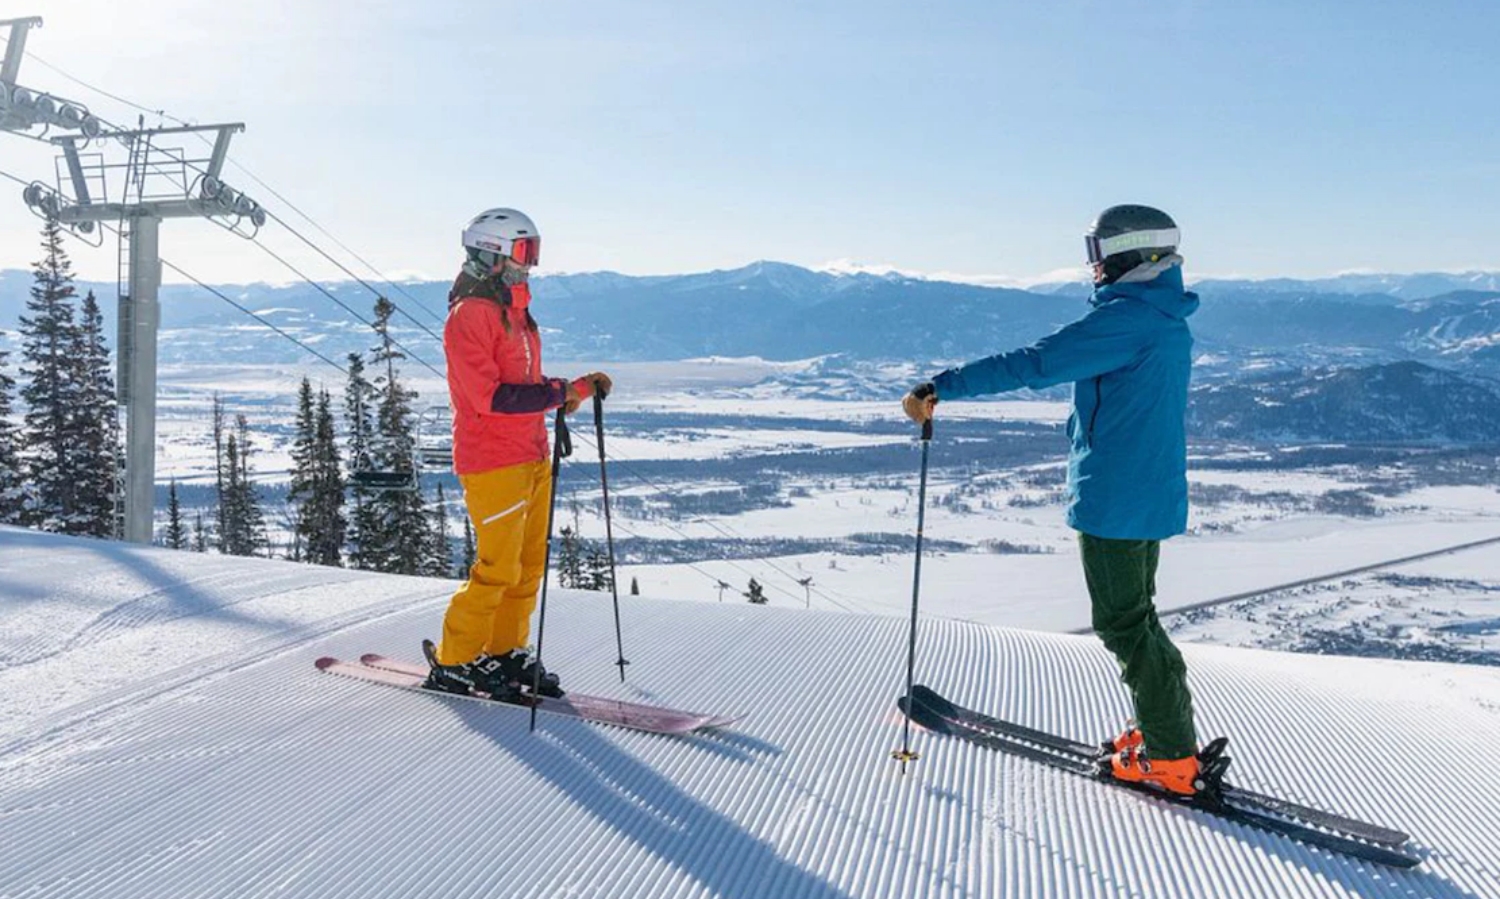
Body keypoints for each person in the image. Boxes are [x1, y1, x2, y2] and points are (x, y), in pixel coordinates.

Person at [902, 204, 1205, 794]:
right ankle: (1164, 737)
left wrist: (943, 385)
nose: (1091, 266)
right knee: (1137, 620)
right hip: (1148, 495)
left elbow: (1036, 363)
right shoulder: (1165, 315)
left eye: (1097, 252)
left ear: (1129, 253)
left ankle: (1170, 757)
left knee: (1123, 626)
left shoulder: (1127, 319)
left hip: (1115, 500)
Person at [425, 207, 611, 701]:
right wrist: (559, 393)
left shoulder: (515, 313)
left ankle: (505, 650)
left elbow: (527, 386)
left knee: (528, 566)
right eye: (524, 253)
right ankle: (456, 659)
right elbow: (491, 397)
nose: (530, 264)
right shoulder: (470, 316)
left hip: (530, 453)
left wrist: (574, 390)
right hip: (492, 461)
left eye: (534, 252)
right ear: (491, 252)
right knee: (497, 569)